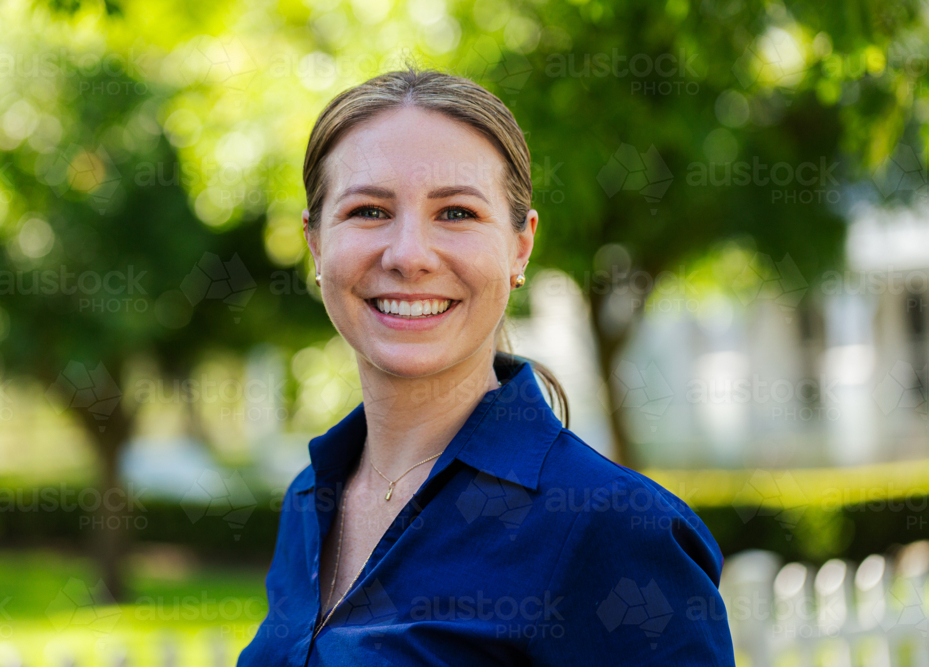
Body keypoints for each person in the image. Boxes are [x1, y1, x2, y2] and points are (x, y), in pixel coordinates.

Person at [238, 64, 735, 666]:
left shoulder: (613, 530)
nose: (409, 255)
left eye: (456, 213)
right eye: (368, 210)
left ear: (519, 245)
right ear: (316, 243)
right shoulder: (310, 498)